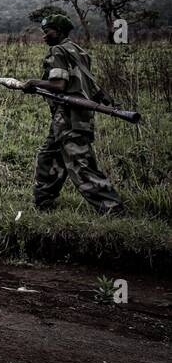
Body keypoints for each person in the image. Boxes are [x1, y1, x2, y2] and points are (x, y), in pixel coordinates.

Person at [26, 14, 126, 215]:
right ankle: (43, 203)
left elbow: (58, 85)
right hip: (75, 114)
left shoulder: (57, 51)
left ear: (60, 32)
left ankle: (112, 209)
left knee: (81, 165)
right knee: (48, 156)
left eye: (49, 32)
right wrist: (108, 102)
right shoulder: (79, 50)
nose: (45, 36)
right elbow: (89, 83)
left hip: (70, 116)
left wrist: (33, 83)